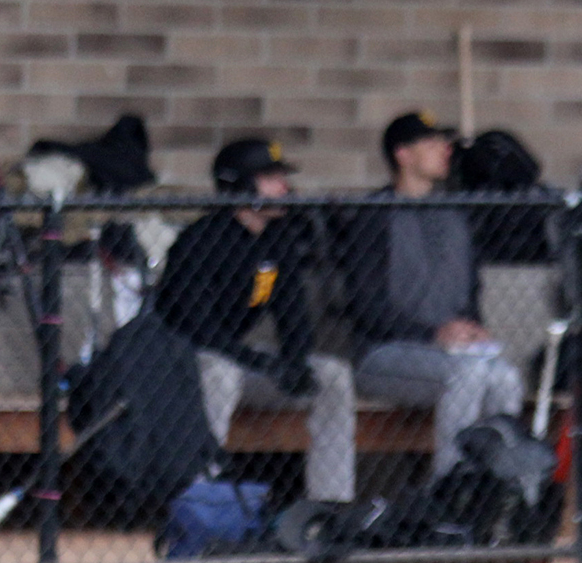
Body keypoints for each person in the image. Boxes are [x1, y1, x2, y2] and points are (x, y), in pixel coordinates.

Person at [157, 138, 356, 504]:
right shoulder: (200, 240)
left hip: (239, 357)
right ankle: (199, 500)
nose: (284, 187)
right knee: (221, 374)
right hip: (186, 362)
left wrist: (295, 361)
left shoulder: (277, 238)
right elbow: (196, 329)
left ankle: (330, 505)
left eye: (282, 177)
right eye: (270, 178)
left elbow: (291, 311)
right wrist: (258, 362)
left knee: (333, 376)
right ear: (239, 185)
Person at [341, 111, 523, 478]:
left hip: (454, 354)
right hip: (385, 354)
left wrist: (472, 328)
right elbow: (364, 305)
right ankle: (450, 492)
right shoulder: (374, 215)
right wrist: (431, 334)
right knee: (467, 375)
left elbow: (469, 292)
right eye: (432, 143)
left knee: (506, 378)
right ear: (403, 155)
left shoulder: (455, 213)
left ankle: (498, 489)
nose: (445, 149)